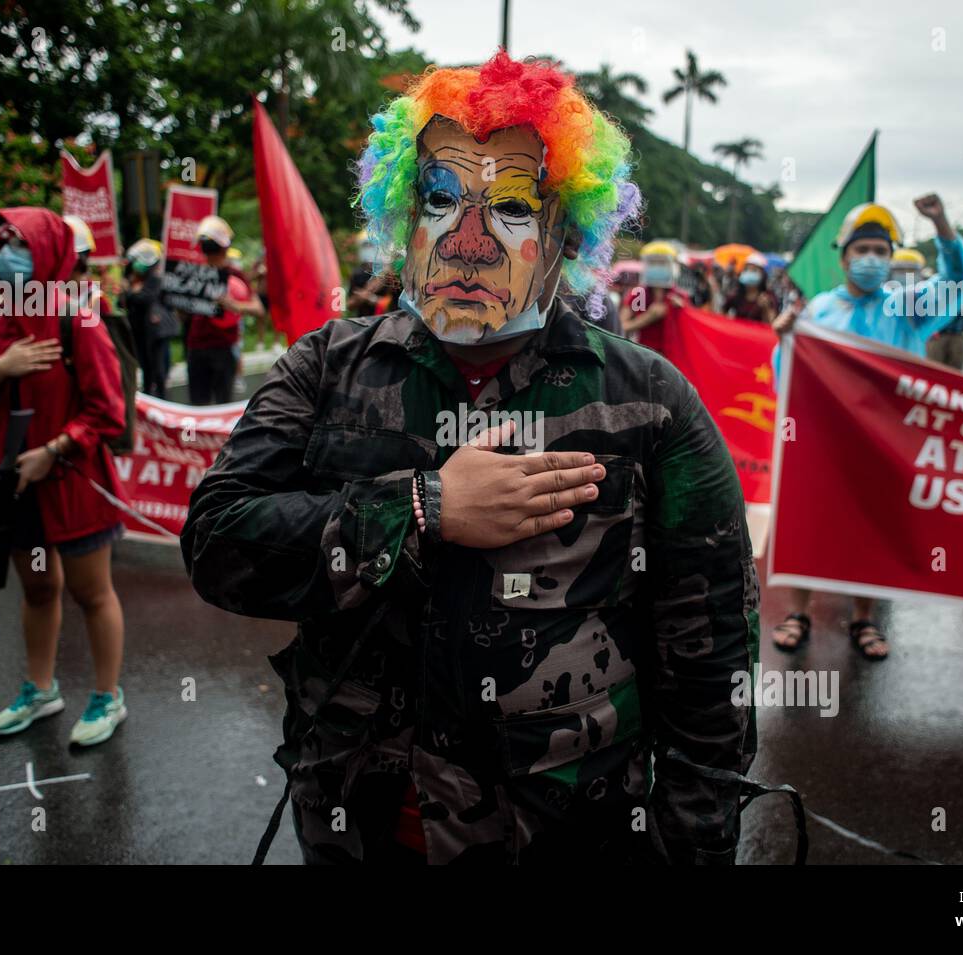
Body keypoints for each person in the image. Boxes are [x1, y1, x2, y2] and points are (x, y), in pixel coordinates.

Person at [182, 52, 758, 865]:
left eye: (513, 209)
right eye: (441, 198)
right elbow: (217, 545)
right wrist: (419, 508)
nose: (472, 239)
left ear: (562, 232)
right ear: (402, 215)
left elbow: (713, 665)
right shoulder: (325, 369)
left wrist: (691, 845)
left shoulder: (651, 403)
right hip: (360, 827)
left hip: (568, 836)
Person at [0, 207, 129, 746]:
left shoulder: (80, 318)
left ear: (48, 252)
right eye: (0, 243)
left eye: (18, 244)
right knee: (38, 589)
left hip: (72, 484)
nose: (5, 254)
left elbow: (108, 411)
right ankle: (40, 689)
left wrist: (54, 449)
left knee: (91, 593)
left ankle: (106, 696)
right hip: (13, 486)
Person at [771, 196, 963, 660]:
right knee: (811, 525)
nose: (871, 259)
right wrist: (786, 336)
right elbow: (788, 379)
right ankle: (797, 612)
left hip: (887, 447)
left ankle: (864, 619)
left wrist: (942, 223)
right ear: (843, 257)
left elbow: (960, 284)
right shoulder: (819, 310)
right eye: (862, 249)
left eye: (880, 251)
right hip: (827, 445)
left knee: (876, 532)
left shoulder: (909, 307)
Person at [183, 215, 264, 405]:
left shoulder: (235, 275)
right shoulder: (193, 273)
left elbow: (258, 308)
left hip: (224, 347)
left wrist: (235, 305)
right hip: (197, 346)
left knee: (222, 403)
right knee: (198, 405)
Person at [121, 238, 175, 398]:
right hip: (139, 330)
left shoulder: (156, 280)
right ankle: (150, 395)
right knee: (145, 367)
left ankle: (161, 397)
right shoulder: (133, 281)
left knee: (158, 369)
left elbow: (145, 298)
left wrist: (130, 292)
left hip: (155, 332)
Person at [618, 241, 687, 354]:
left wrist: (682, 312)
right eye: (653, 263)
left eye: (662, 263)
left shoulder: (680, 297)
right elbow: (621, 326)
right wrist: (648, 318)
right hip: (644, 354)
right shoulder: (638, 295)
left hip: (672, 358)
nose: (657, 267)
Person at [720, 253, 777, 322]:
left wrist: (765, 308)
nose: (749, 273)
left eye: (754, 270)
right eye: (746, 270)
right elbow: (721, 313)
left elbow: (772, 323)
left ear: (762, 274)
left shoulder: (768, 296)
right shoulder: (736, 295)